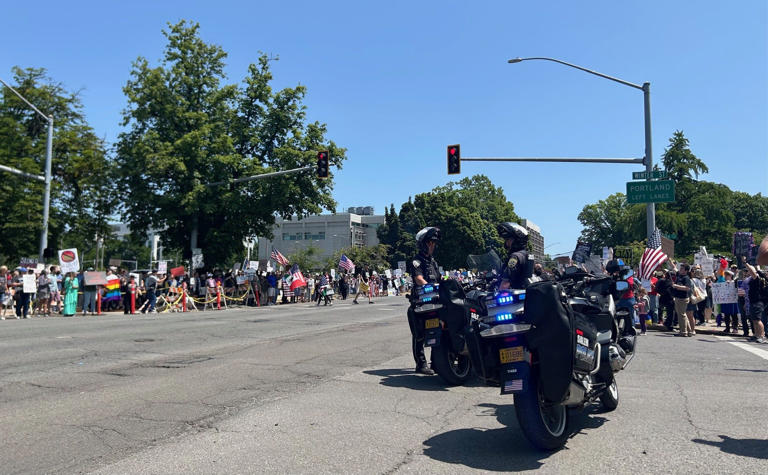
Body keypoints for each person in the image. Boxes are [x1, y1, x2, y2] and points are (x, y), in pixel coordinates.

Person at [407, 226, 442, 375]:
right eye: (429, 242)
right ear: (423, 243)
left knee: (439, 330)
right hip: (421, 301)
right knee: (419, 334)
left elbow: (440, 278)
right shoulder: (417, 261)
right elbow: (419, 279)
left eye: (433, 243)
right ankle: (421, 364)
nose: (432, 245)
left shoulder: (433, 262)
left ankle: (438, 361)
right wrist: (429, 286)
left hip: (436, 300)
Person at [495, 222, 530, 290]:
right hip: (525, 293)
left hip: (514, 295)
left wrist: (498, 294)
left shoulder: (515, 257)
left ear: (517, 240)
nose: (506, 243)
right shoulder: (527, 255)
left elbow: (506, 282)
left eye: (508, 239)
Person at [744, 262, 767, 343]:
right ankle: (756, 335)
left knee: (757, 319)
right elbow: (755, 267)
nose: (748, 272)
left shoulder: (757, 278)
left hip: (758, 301)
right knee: (754, 319)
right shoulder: (757, 278)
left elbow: (753, 271)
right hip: (753, 301)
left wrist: (745, 263)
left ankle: (762, 336)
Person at [671, 263, 695, 337]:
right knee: (682, 315)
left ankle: (683, 331)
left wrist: (676, 286)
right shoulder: (679, 275)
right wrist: (669, 260)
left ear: (686, 271)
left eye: (682, 269)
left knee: (682, 315)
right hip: (678, 297)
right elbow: (674, 268)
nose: (680, 270)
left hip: (682, 298)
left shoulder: (686, 278)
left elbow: (687, 288)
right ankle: (689, 331)